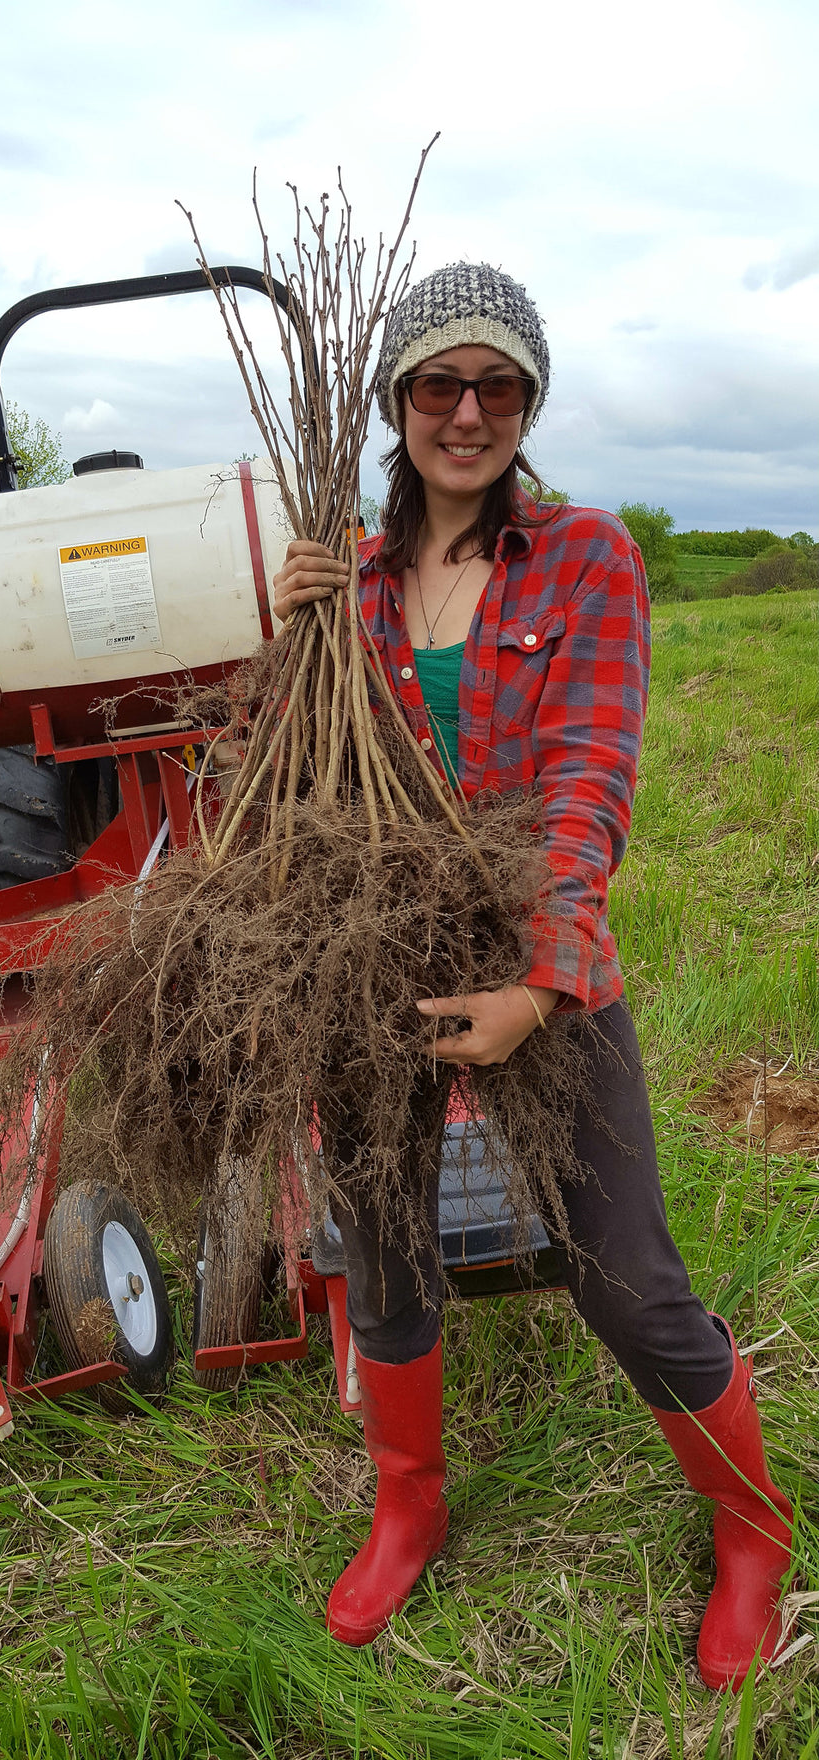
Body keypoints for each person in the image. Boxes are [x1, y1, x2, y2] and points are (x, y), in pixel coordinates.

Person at [271, 262, 794, 1692]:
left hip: (536, 972)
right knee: (382, 1262)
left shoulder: (585, 557)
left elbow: (584, 785)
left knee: (620, 1275)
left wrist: (541, 989)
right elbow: (300, 782)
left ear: (528, 401)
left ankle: (751, 1531)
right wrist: (288, 633)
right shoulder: (350, 577)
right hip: (369, 971)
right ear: (394, 400)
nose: (466, 412)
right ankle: (408, 1506)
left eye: (496, 385)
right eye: (439, 383)